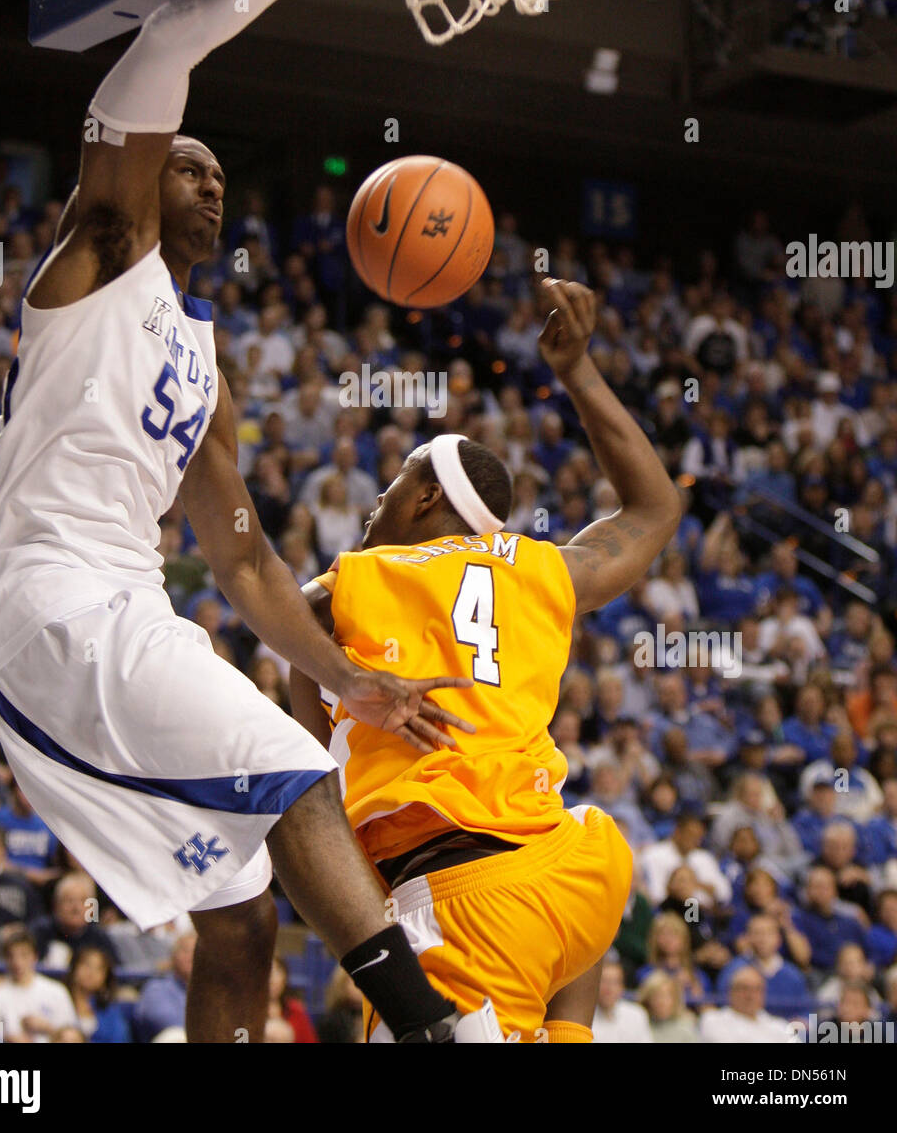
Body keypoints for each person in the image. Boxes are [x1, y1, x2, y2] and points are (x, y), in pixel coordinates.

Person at [0, 0, 489, 1044]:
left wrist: (351, 677)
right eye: (181, 161)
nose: (202, 182)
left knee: (242, 916)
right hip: (46, 593)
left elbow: (240, 553)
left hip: (122, 602)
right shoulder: (97, 253)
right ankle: (434, 1029)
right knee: (292, 773)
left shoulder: (205, 375)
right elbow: (178, 36)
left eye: (216, 174)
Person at [291, 278, 683, 1041]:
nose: (377, 502)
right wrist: (578, 371)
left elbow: (267, 622)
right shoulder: (544, 568)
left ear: (431, 496)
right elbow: (655, 509)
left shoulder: (352, 580)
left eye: (396, 481)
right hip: (576, 875)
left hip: (466, 892)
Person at [0, 929, 78, 1043]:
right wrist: (8, 1038)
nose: (17, 962)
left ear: (35, 957)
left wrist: (48, 1028)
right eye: (11, 956)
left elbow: (73, 1036)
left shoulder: (57, 991)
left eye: (24, 955)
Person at [591, 959, 652, 1043]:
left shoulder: (637, 1014)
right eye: (604, 982)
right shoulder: (585, 1018)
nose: (609, 988)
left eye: (615, 982)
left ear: (622, 987)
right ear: (595, 985)